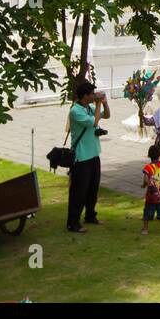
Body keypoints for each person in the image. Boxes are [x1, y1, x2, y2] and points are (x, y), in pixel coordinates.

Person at [66, 81, 108, 232]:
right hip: (81, 157)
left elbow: (107, 115)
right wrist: (97, 105)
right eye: (91, 94)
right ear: (85, 96)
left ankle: (90, 215)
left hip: (94, 154)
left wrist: (104, 103)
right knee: (79, 191)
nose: (93, 96)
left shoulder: (88, 107)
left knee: (92, 189)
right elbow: (94, 122)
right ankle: (73, 222)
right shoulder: (76, 111)